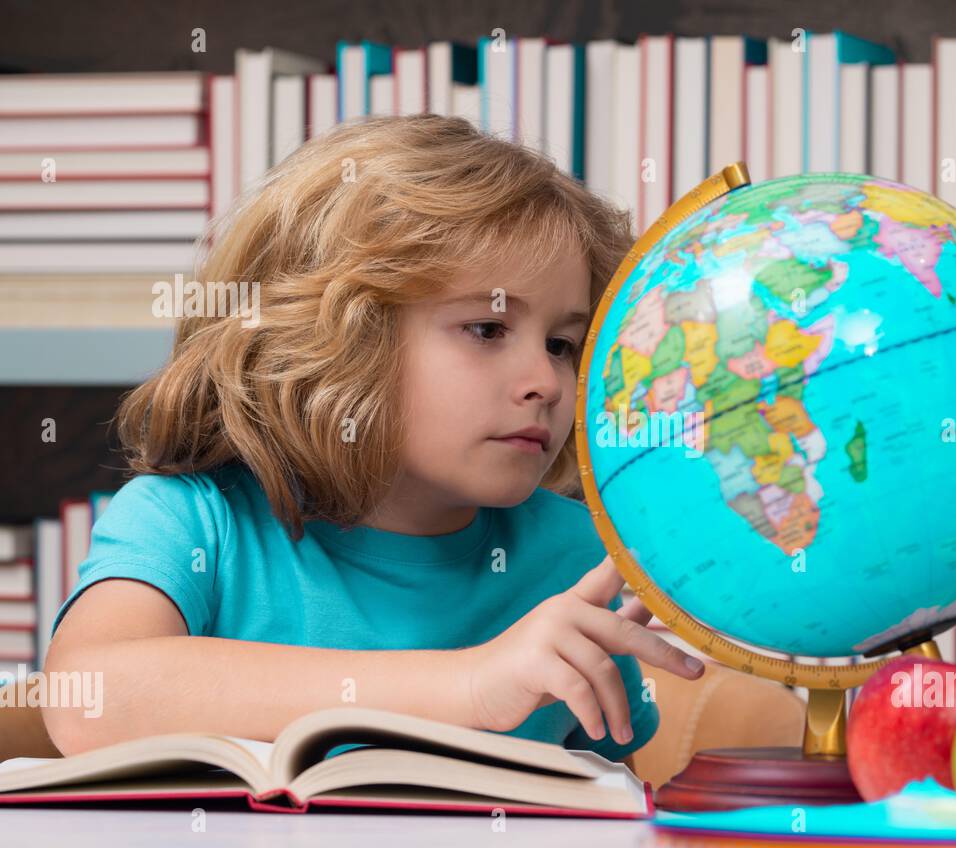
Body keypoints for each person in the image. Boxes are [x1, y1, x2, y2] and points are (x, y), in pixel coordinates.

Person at [41, 114, 704, 763]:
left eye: (562, 344)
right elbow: (87, 698)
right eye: (487, 329)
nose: (547, 383)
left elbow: (609, 789)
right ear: (336, 337)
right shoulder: (194, 523)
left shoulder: (580, 557)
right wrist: (470, 684)